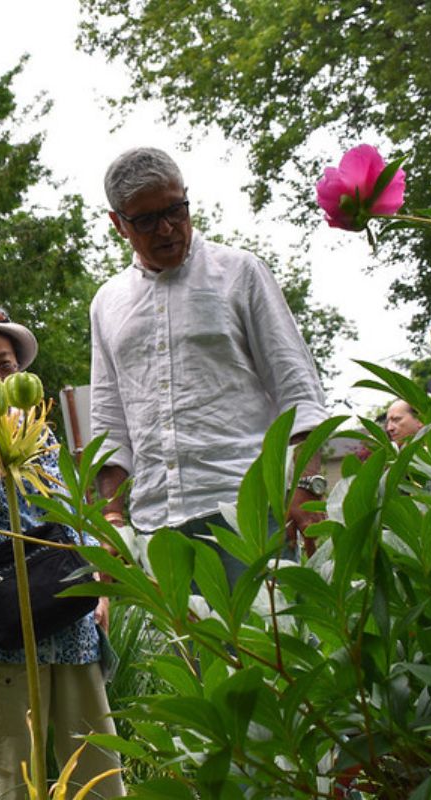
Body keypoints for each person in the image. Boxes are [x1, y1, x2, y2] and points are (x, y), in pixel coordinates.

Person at [90, 147, 328, 576]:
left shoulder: (240, 272)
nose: (167, 229)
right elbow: (109, 425)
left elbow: (299, 391)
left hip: (249, 512)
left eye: (175, 210)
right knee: (184, 646)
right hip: (157, 529)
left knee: (262, 643)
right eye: (145, 220)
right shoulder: (107, 303)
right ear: (118, 224)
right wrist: (111, 520)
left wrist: (306, 487)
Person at [0, 307, 126, 800]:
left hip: (65, 606)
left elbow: (74, 509)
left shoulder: (43, 431)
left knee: (97, 762)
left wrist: (99, 584)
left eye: (6, 365)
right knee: (13, 767)